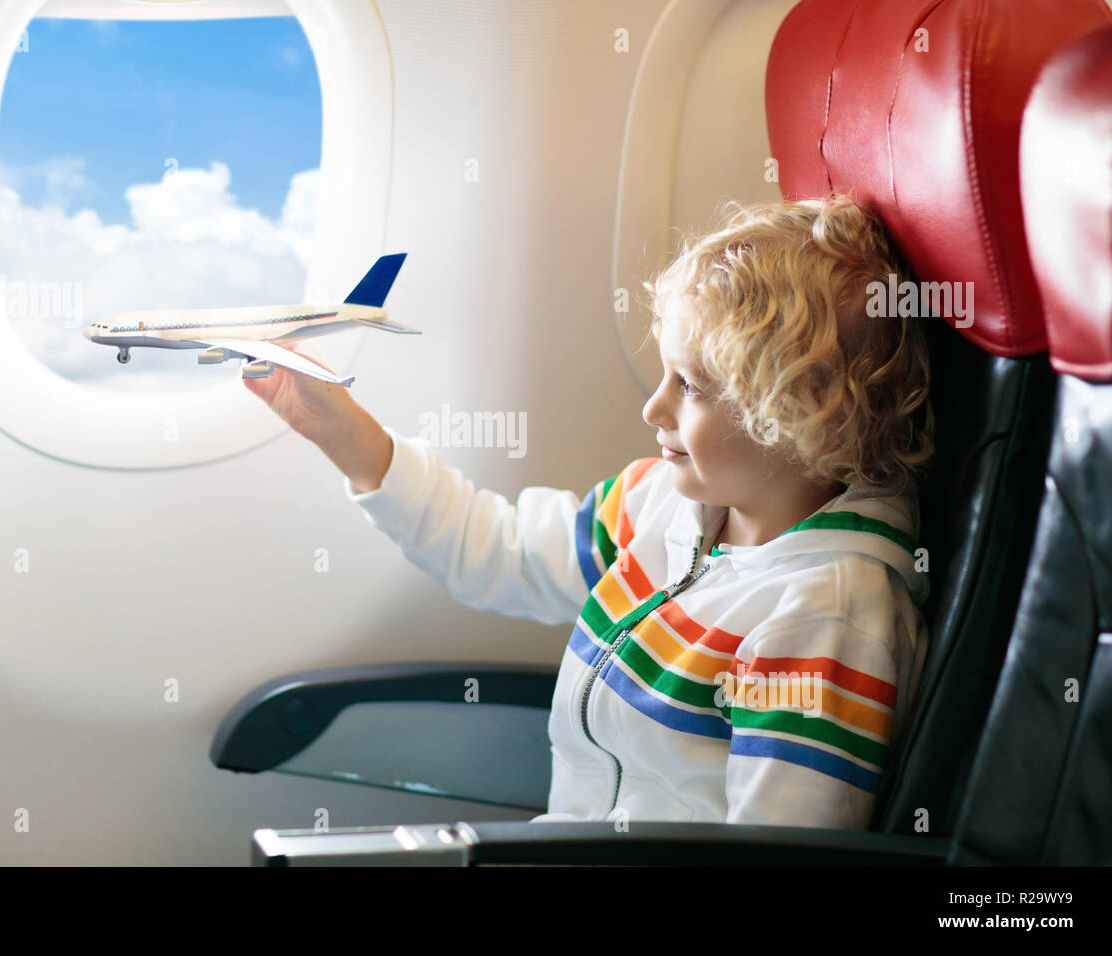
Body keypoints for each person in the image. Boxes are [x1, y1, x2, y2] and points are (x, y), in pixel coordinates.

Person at [244, 193, 935, 828]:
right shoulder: (662, 506)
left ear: (797, 415)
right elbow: (503, 553)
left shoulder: (823, 613)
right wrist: (342, 433)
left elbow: (772, 856)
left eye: (688, 384)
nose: (653, 408)